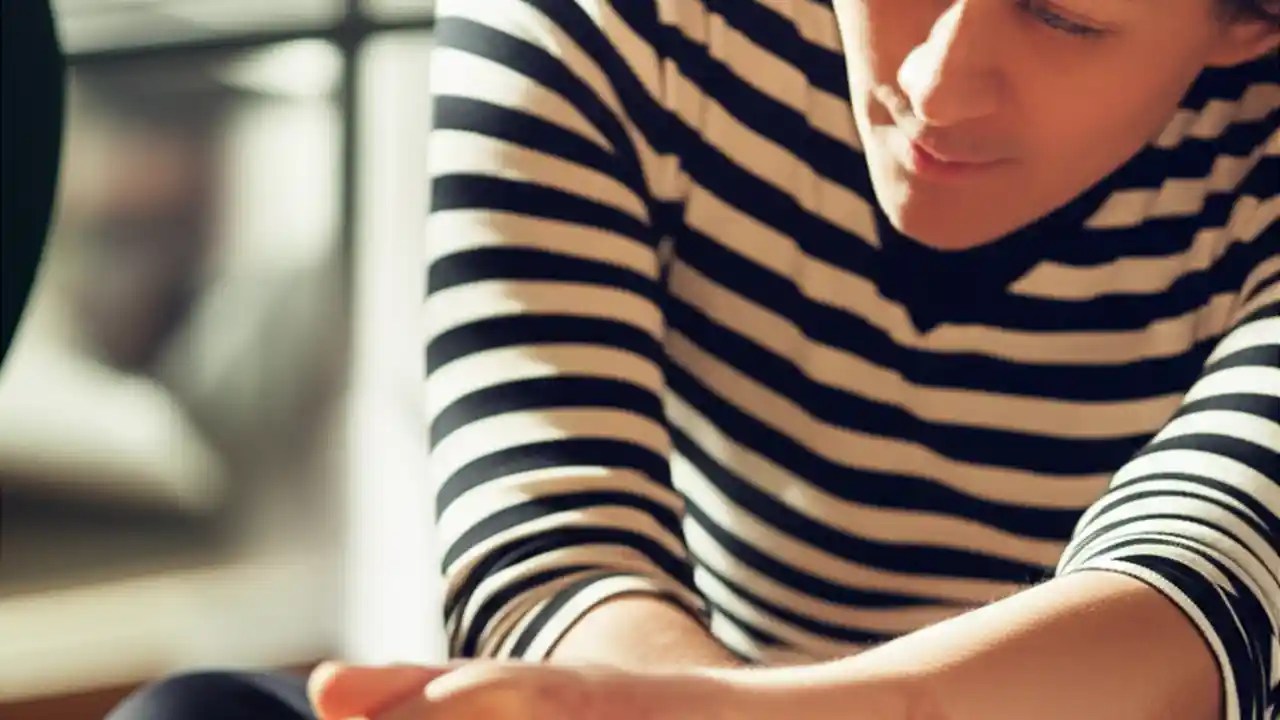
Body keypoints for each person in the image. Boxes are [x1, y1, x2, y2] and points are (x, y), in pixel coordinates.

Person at [109, 0, 1279, 718]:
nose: (933, 84)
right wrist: (674, 712)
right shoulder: (623, 18)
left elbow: (1197, 601)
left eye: (1063, 16)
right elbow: (546, 542)